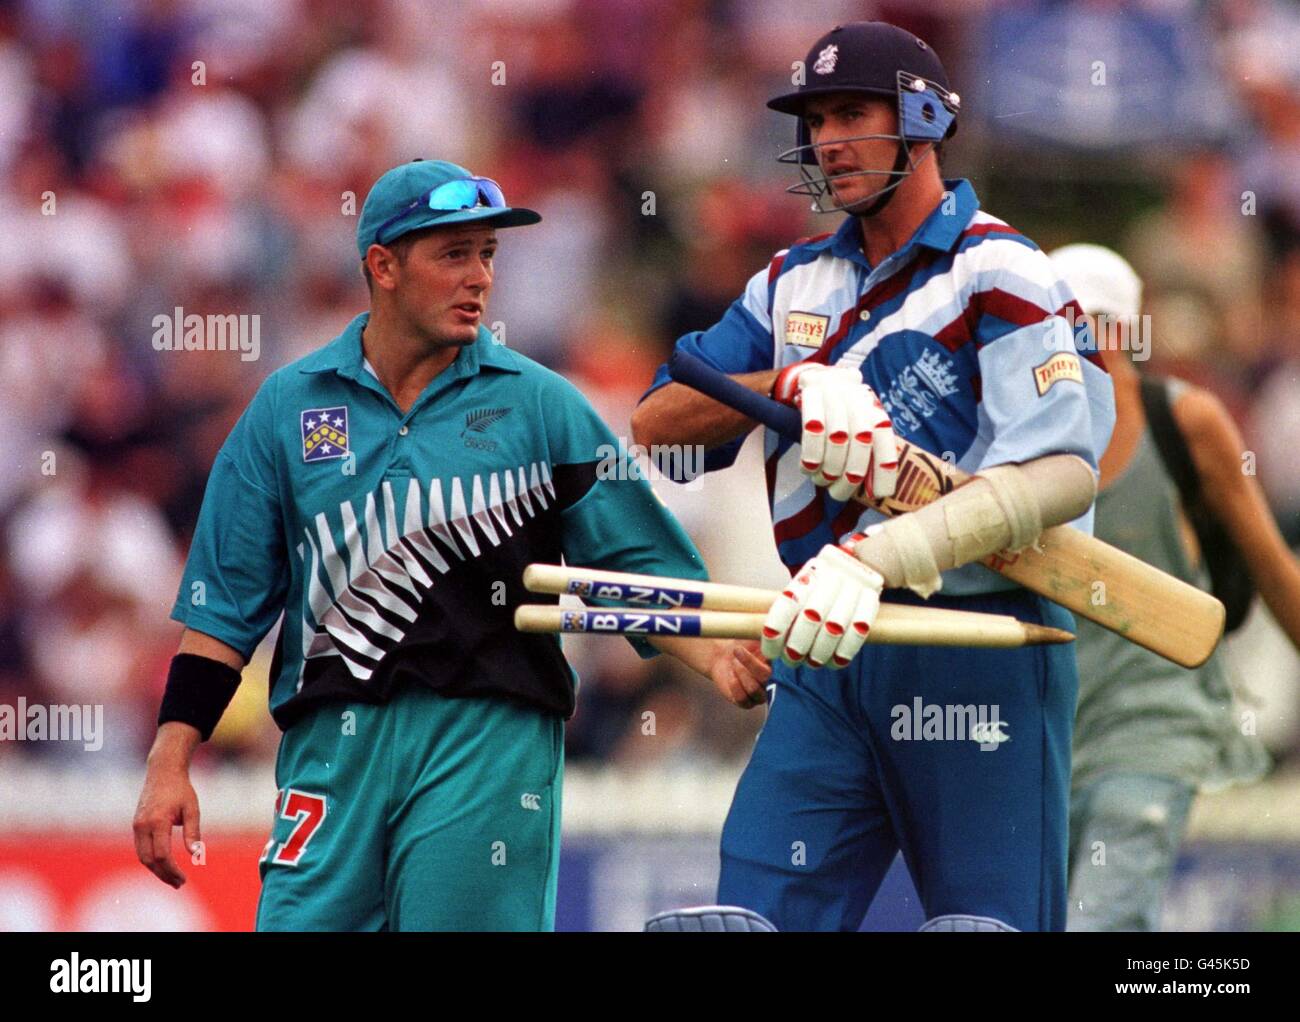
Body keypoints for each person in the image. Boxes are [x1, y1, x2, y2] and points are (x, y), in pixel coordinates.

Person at [132, 158, 770, 931]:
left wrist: (715, 654)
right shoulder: (286, 410)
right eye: (454, 254)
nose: (480, 279)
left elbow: (636, 570)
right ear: (383, 266)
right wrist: (171, 760)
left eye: (488, 255)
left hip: (487, 742)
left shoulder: (541, 406)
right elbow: (225, 611)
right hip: (332, 746)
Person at [633, 22, 1115, 932]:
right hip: (827, 644)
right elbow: (659, 426)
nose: (826, 140)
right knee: (744, 923)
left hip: (982, 638)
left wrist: (882, 555)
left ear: (926, 117)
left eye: (852, 112)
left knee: (986, 930)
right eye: (815, 119)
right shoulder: (787, 283)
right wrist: (787, 383)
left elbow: (1059, 477)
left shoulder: (1004, 269)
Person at [1047, 244, 1279, 931]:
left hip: (1153, 725)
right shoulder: (1013, 438)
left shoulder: (1185, 420)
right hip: (1050, 736)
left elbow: (1269, 564)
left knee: (1103, 924)